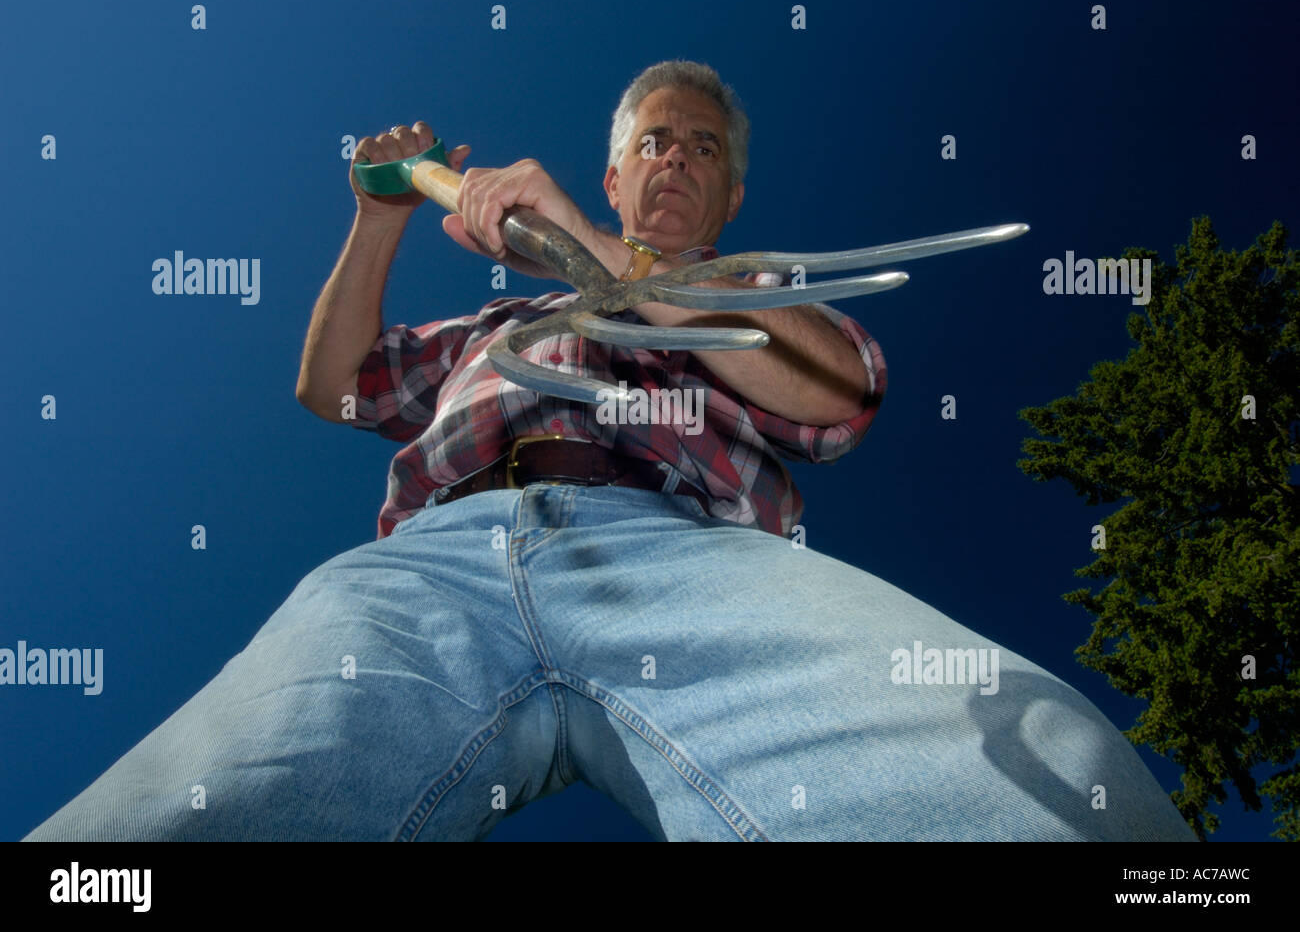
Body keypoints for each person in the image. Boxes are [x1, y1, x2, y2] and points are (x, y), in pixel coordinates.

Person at [24, 60, 1196, 841]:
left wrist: (589, 250)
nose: (673, 159)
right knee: (177, 816)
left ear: (731, 190)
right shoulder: (496, 328)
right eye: (651, 142)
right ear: (617, 169)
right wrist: (379, 212)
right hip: (432, 568)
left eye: (699, 148)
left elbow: (838, 396)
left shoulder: (755, 296)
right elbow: (333, 386)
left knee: (1039, 772)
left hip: (695, 568)